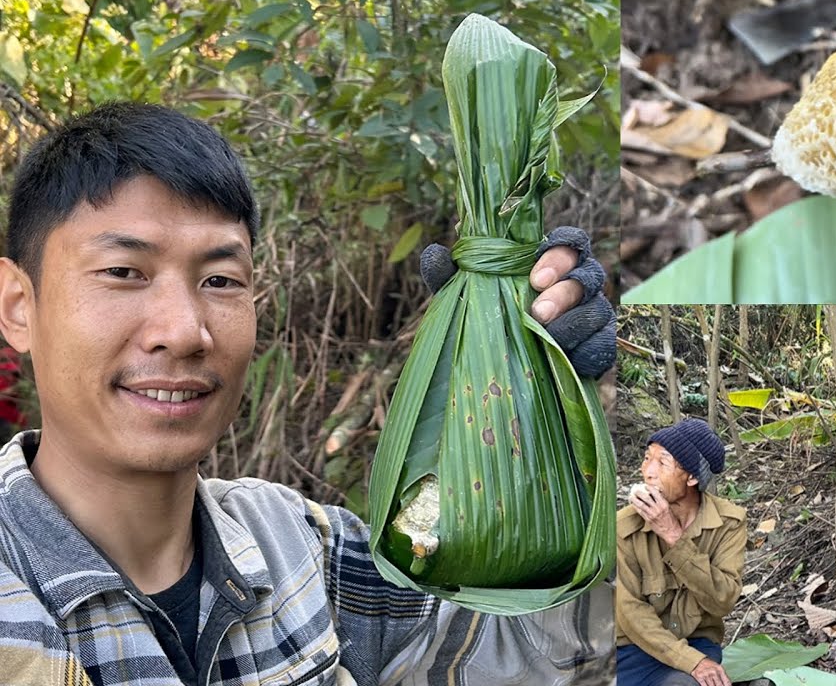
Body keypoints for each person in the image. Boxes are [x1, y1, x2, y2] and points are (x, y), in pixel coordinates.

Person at [0, 102, 616, 685]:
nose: (185, 331)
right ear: (18, 305)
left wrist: (546, 423)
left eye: (220, 279)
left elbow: (526, 650)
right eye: (123, 272)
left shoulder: (299, 544)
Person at [615, 418, 748, 686]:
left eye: (662, 462)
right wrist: (691, 662)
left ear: (692, 477)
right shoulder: (622, 526)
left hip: (697, 641)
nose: (647, 471)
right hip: (631, 648)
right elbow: (629, 612)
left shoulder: (728, 524)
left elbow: (723, 600)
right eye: (646, 458)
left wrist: (673, 536)